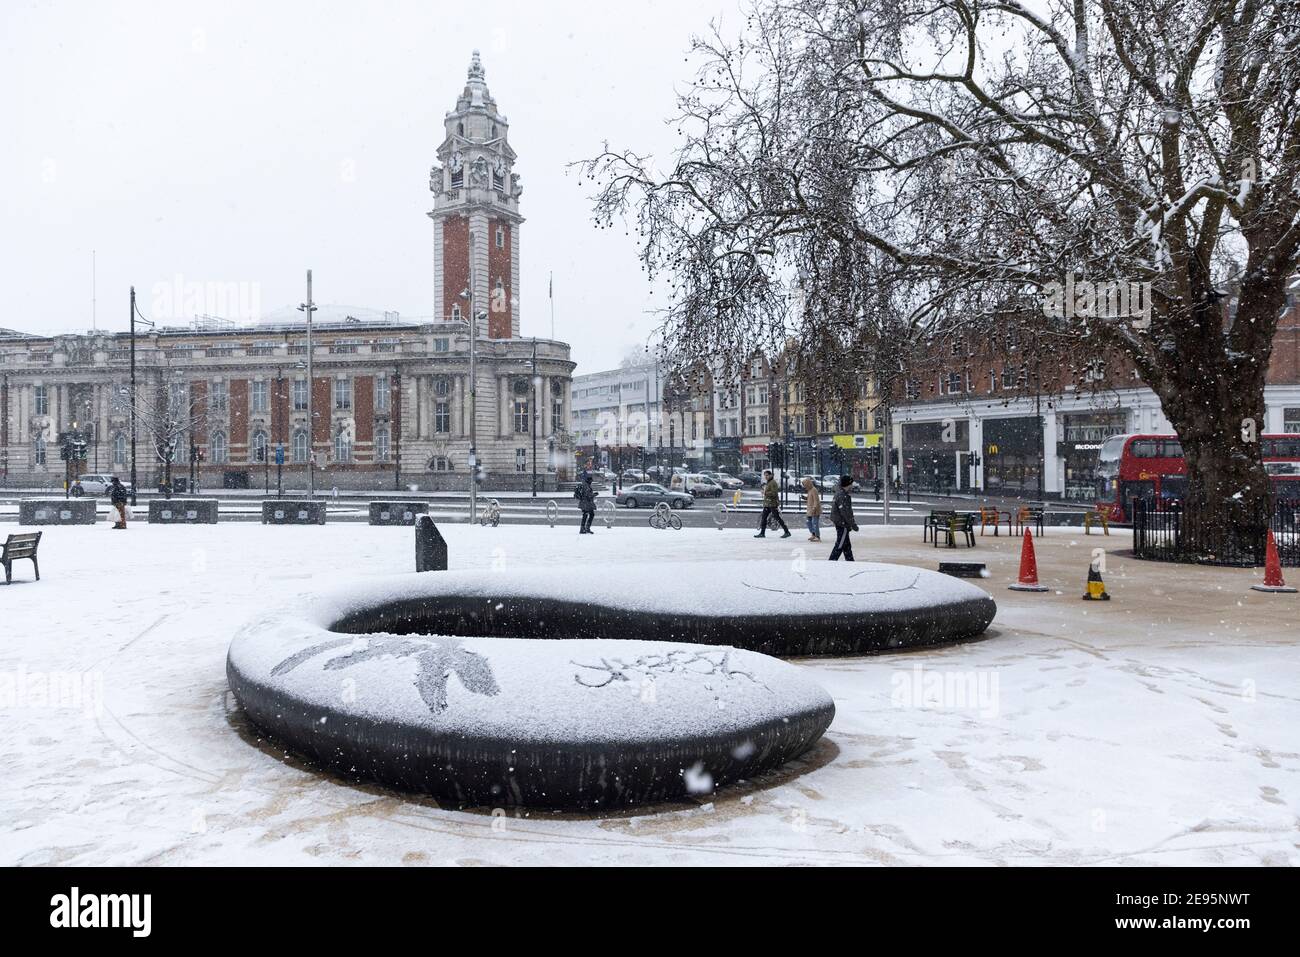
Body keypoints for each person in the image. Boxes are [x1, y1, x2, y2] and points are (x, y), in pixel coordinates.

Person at [829, 474, 859, 561]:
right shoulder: (842, 496)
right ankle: (830, 563)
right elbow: (846, 513)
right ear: (847, 484)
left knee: (846, 546)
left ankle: (850, 562)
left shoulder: (840, 494)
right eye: (851, 484)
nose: (852, 486)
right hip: (842, 524)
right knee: (840, 544)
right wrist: (853, 524)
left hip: (841, 523)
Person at [755, 469, 790, 538]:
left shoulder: (773, 482)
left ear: (770, 475)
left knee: (777, 518)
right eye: (765, 475)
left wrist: (765, 493)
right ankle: (762, 533)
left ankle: (787, 532)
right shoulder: (769, 482)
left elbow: (774, 493)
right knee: (764, 518)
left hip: (772, 504)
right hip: (768, 504)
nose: (766, 477)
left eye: (767, 475)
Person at [802, 477, 822, 542]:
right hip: (810, 509)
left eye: (805, 485)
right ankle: (813, 534)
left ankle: (817, 536)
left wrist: (814, 508)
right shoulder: (809, 490)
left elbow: (816, 500)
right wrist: (805, 498)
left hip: (814, 510)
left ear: (808, 484)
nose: (804, 487)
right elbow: (809, 498)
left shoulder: (814, 490)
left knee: (814, 523)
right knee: (809, 522)